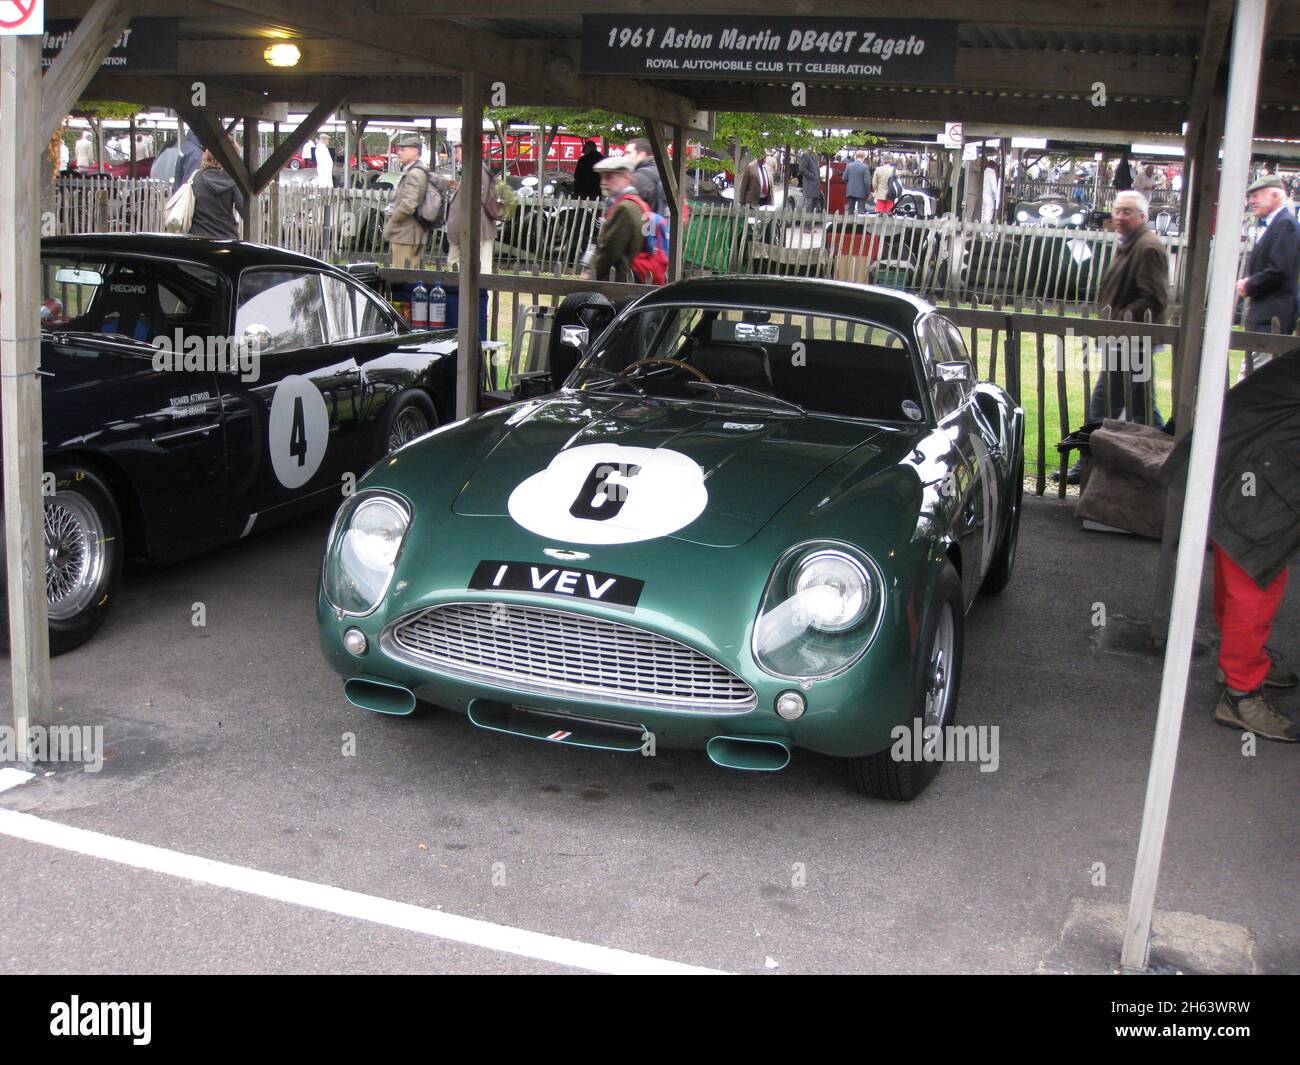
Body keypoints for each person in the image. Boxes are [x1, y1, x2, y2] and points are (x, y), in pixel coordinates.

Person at [1161, 347, 1300, 741]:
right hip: (1251, 474)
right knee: (1256, 581)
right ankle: (1240, 692)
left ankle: (1244, 661)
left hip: (1243, 464)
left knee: (1243, 572)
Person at [1235, 175, 1300, 378]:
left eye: (1256, 196)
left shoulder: (1285, 225)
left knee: (1256, 377)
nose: (1251, 201)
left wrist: (1250, 284)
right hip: (1266, 314)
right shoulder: (1277, 224)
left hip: (1273, 315)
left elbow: (1279, 269)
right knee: (1252, 372)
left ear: (1274, 196)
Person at [581, 156, 645, 283]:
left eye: (609, 177)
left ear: (626, 177)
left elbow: (610, 250)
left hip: (619, 281)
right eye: (602, 177)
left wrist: (592, 275)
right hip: (632, 279)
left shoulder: (624, 208)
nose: (603, 182)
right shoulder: (636, 202)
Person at [382, 135, 432, 270]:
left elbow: (409, 204)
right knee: (410, 277)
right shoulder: (418, 170)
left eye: (404, 149)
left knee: (400, 276)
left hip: (406, 234)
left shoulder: (414, 173)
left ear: (416, 151)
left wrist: (393, 220)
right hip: (413, 233)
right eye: (400, 149)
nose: (399, 152)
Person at [445, 159, 497, 273]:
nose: (456, 155)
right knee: (480, 263)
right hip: (474, 227)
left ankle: (480, 290)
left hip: (476, 227)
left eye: (458, 151)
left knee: (482, 266)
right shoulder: (474, 169)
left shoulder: (476, 171)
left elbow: (476, 199)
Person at [188, 150, 245, 240]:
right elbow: (245, 211)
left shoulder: (196, 178)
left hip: (198, 239)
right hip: (226, 240)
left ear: (206, 157)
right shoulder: (233, 181)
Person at [624, 137, 667, 216]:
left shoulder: (638, 178)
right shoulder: (663, 172)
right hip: (664, 225)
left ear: (641, 154)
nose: (624, 157)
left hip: (646, 226)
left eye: (628, 153)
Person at [981, 158, 1001, 223]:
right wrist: (996, 197)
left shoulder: (984, 172)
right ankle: (984, 231)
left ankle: (980, 230)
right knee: (988, 214)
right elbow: (994, 187)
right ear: (994, 167)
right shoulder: (992, 173)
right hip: (988, 196)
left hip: (982, 195)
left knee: (982, 213)